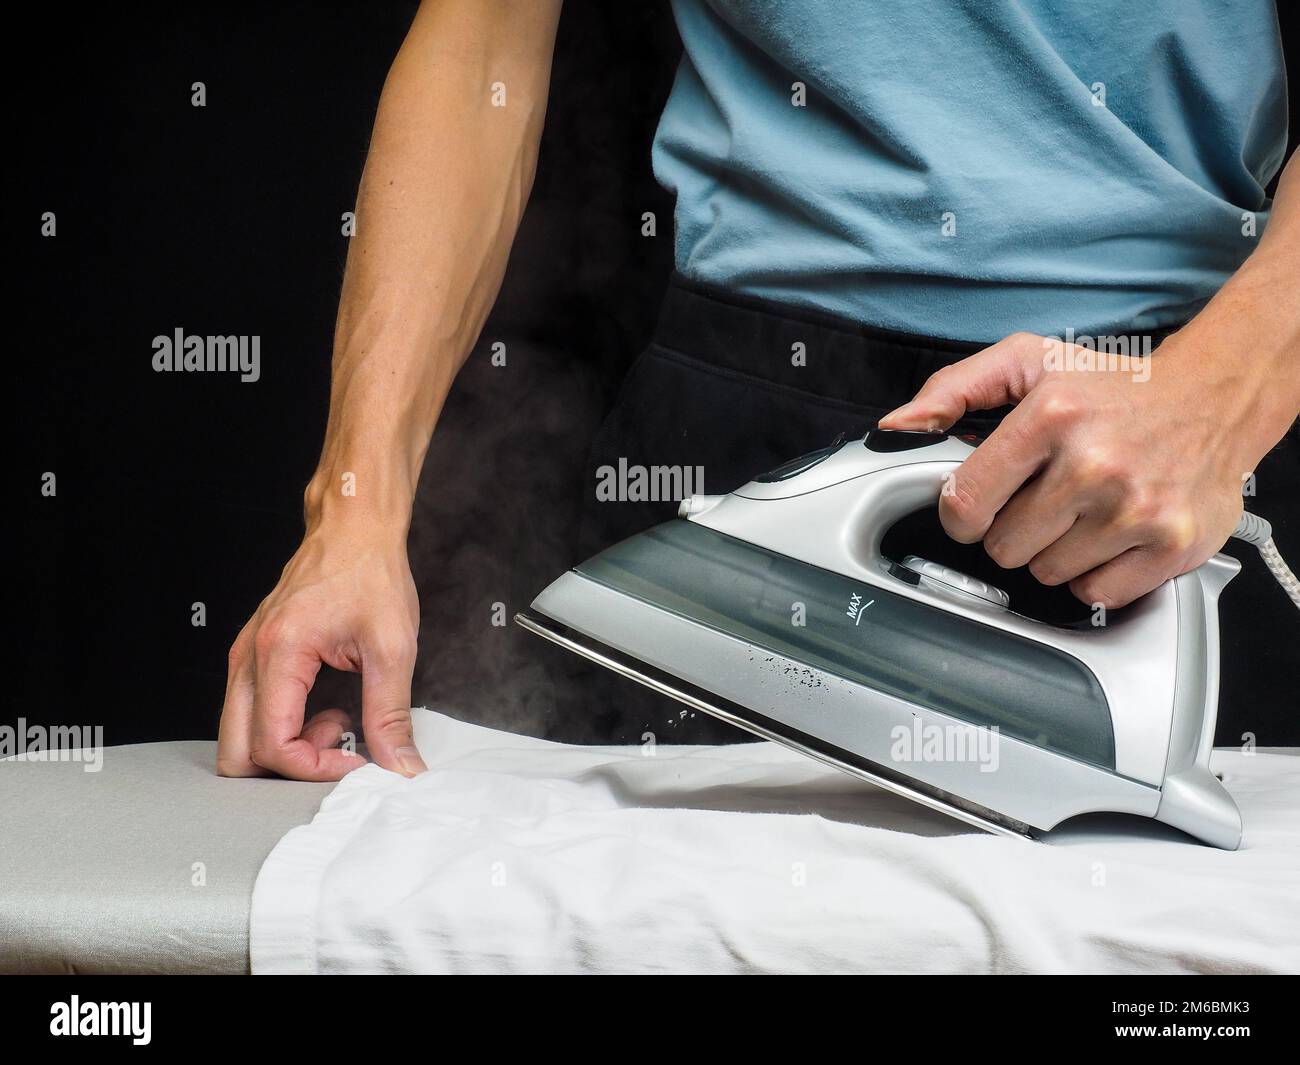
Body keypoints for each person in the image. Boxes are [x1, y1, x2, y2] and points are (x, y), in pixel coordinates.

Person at [217, 0, 1298, 780]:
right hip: (746, 401)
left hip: (1161, 438)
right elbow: (483, 37)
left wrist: (1216, 396)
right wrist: (354, 515)